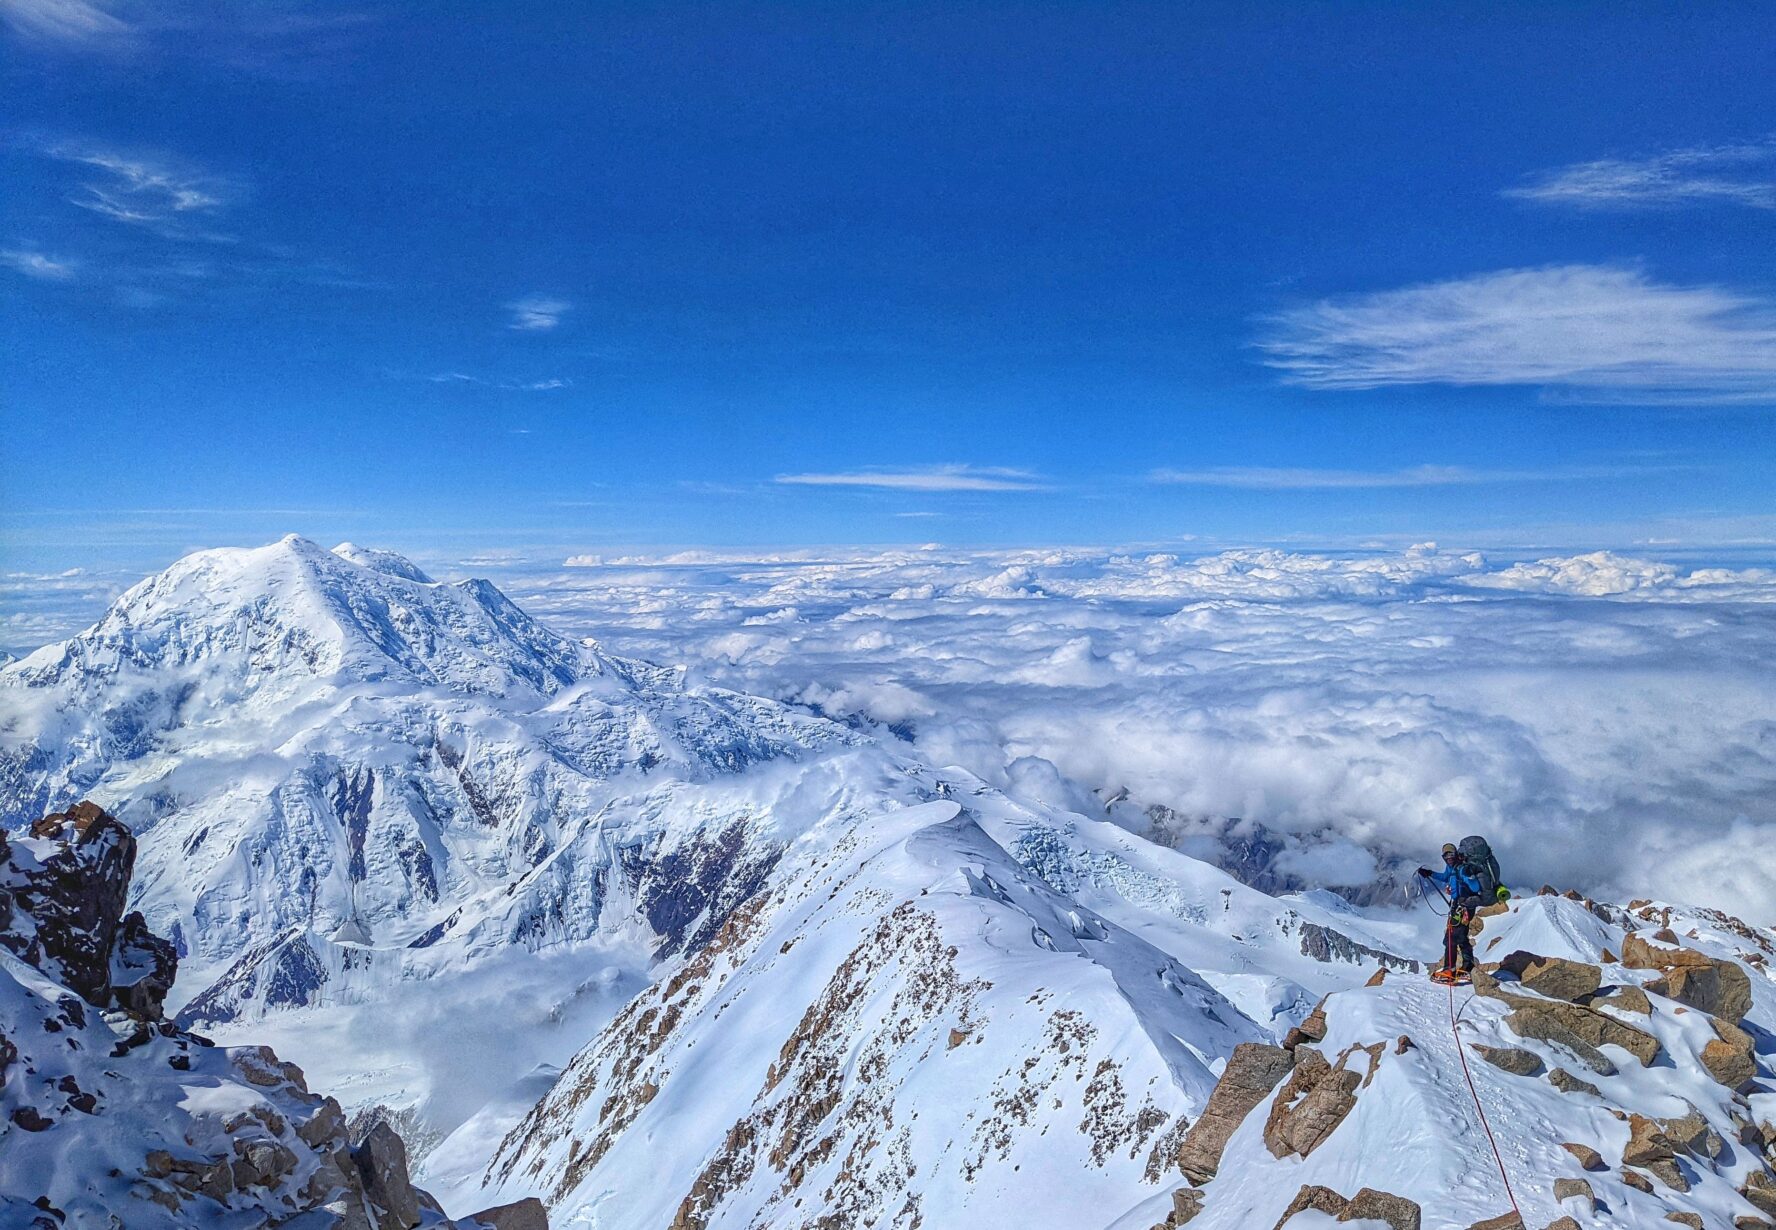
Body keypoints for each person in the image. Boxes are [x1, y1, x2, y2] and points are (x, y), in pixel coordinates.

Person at [1418, 843, 1485, 979]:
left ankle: (1449, 970)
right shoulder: (1452, 867)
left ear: (1456, 854)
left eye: (1450, 854)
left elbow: (1475, 885)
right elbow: (1445, 877)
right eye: (1446, 855)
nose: (1448, 857)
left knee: (1451, 937)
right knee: (1461, 936)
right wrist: (1429, 874)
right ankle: (1468, 966)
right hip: (1461, 907)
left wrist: (1468, 877)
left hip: (1463, 907)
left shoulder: (1462, 868)